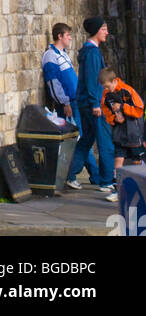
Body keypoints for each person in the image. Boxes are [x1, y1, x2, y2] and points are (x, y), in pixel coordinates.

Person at [42, 22, 101, 189]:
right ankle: (87, 175)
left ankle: (94, 175)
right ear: (60, 36)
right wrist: (65, 102)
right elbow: (53, 82)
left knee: (82, 137)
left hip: (75, 102)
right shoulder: (51, 56)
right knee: (80, 138)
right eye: (68, 35)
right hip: (68, 103)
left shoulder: (63, 54)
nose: (70, 38)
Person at [68, 17, 116, 192]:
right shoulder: (93, 53)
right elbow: (92, 81)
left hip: (86, 103)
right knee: (105, 142)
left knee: (87, 139)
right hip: (93, 105)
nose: (107, 32)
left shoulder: (89, 51)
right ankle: (106, 181)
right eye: (104, 29)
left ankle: (70, 174)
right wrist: (96, 103)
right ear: (96, 30)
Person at [99, 68, 145, 202]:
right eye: (104, 88)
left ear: (114, 81)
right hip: (119, 132)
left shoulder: (127, 90)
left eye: (108, 86)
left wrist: (123, 108)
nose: (107, 90)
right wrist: (113, 119)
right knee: (118, 160)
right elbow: (106, 110)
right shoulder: (106, 94)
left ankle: (140, 188)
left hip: (133, 132)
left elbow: (139, 109)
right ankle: (119, 190)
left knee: (136, 161)